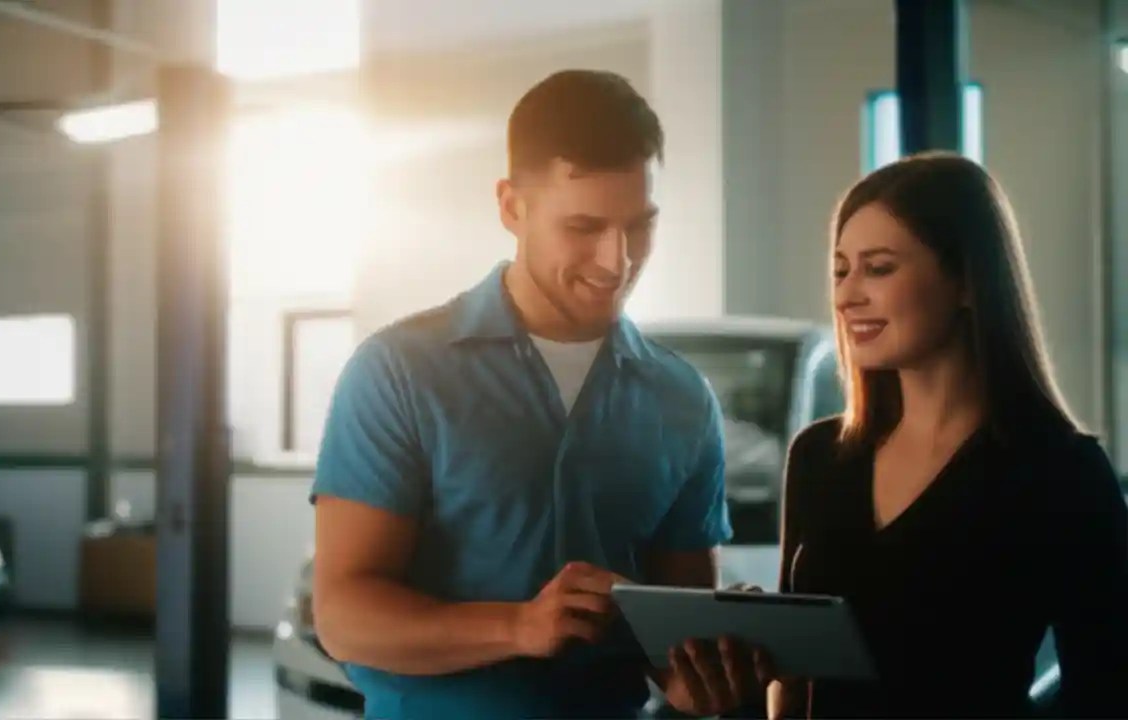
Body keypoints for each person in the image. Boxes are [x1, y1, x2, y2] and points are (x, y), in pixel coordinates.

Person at [311, 70, 766, 719]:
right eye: (584, 226)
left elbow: (678, 653)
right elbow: (344, 617)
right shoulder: (398, 371)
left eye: (639, 226)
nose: (617, 261)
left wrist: (713, 671)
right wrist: (517, 627)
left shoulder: (682, 399)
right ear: (511, 207)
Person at [770, 152, 1128, 718]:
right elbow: (790, 687)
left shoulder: (1061, 473)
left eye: (879, 268)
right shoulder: (819, 457)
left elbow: (1106, 691)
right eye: (841, 270)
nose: (845, 295)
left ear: (966, 280)